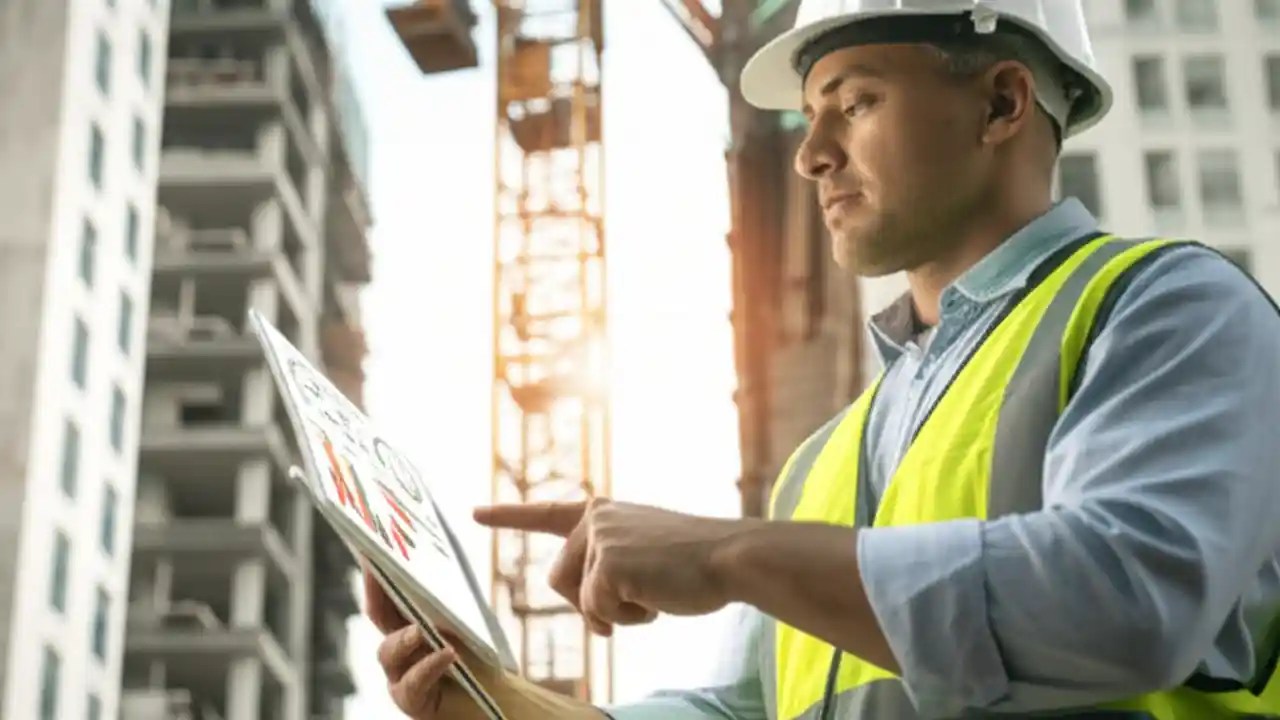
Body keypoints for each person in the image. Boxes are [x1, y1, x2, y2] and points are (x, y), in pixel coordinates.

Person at [365, 0, 1280, 717]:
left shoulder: (1166, 308)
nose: (810, 155)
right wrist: (492, 700)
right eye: (809, 117)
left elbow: (1128, 601)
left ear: (1001, 103)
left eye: (855, 102)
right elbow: (743, 712)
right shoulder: (822, 462)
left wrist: (727, 552)